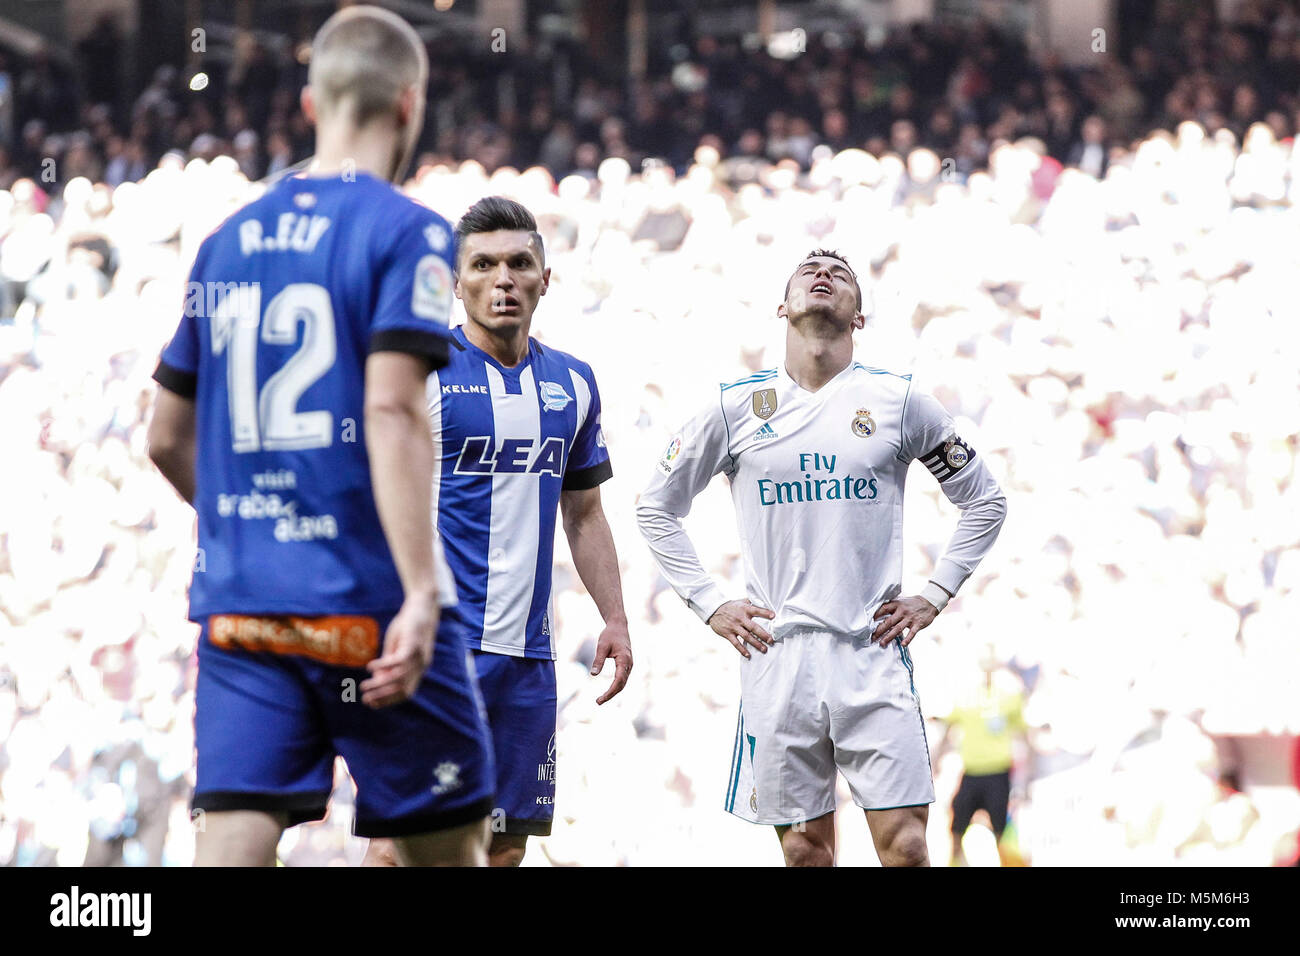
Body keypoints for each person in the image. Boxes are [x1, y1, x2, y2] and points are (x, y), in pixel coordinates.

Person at [146, 5, 493, 866]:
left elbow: (163, 436)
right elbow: (389, 408)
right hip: (370, 607)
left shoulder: (224, 244)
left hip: (245, 610)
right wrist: (421, 590)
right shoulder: (407, 232)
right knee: (448, 850)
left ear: (309, 104)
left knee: (228, 849)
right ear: (409, 105)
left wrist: (248, 524)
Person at [636, 249, 1007, 867]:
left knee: (910, 846)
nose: (823, 274)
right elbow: (654, 508)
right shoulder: (735, 408)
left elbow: (985, 501)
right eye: (809, 270)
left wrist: (936, 593)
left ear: (858, 318)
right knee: (806, 851)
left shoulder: (900, 402)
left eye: (840, 275)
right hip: (777, 657)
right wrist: (710, 603)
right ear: (782, 307)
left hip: (872, 652)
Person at [364, 196, 633, 868]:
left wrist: (616, 618)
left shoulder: (574, 382)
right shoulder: (419, 370)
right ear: (456, 284)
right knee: (401, 849)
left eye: (519, 263)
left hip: (527, 658)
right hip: (438, 646)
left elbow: (585, 511)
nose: (503, 278)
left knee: (504, 849)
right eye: (482, 265)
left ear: (547, 278)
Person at [937, 654, 1030, 866]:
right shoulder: (966, 699)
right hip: (971, 772)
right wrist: (934, 765)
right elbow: (948, 729)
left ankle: (1008, 862)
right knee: (957, 826)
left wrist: (1026, 775)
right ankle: (955, 862)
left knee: (1001, 830)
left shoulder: (1008, 698)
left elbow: (1023, 734)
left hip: (998, 772)